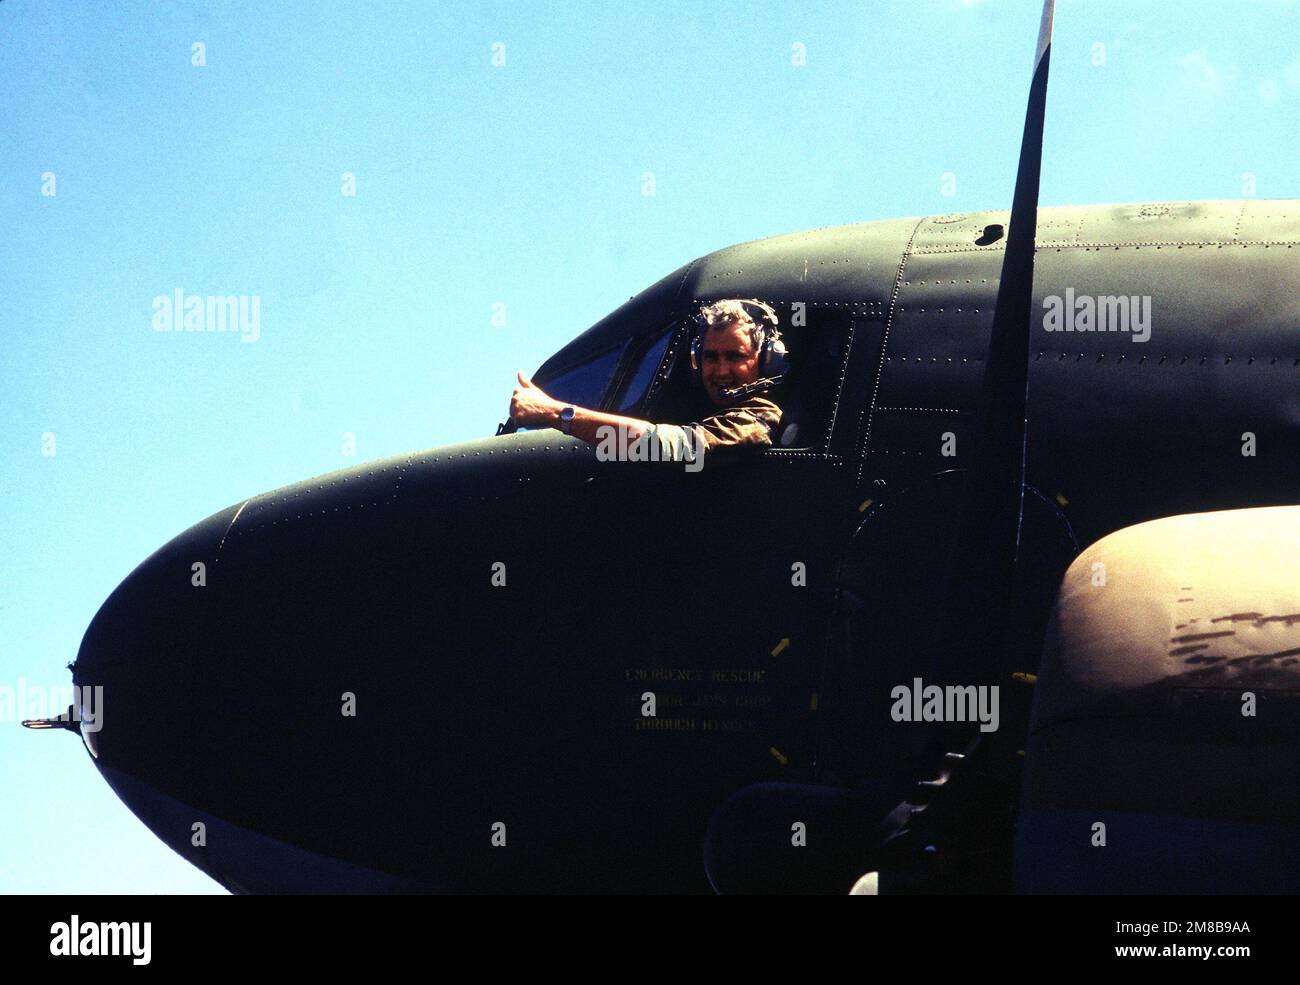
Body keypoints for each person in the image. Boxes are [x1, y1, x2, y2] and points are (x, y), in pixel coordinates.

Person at [508, 299, 785, 458]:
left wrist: (558, 415)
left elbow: (677, 448)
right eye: (711, 358)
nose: (721, 371)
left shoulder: (759, 417)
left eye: (735, 357)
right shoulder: (716, 412)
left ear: (764, 361)